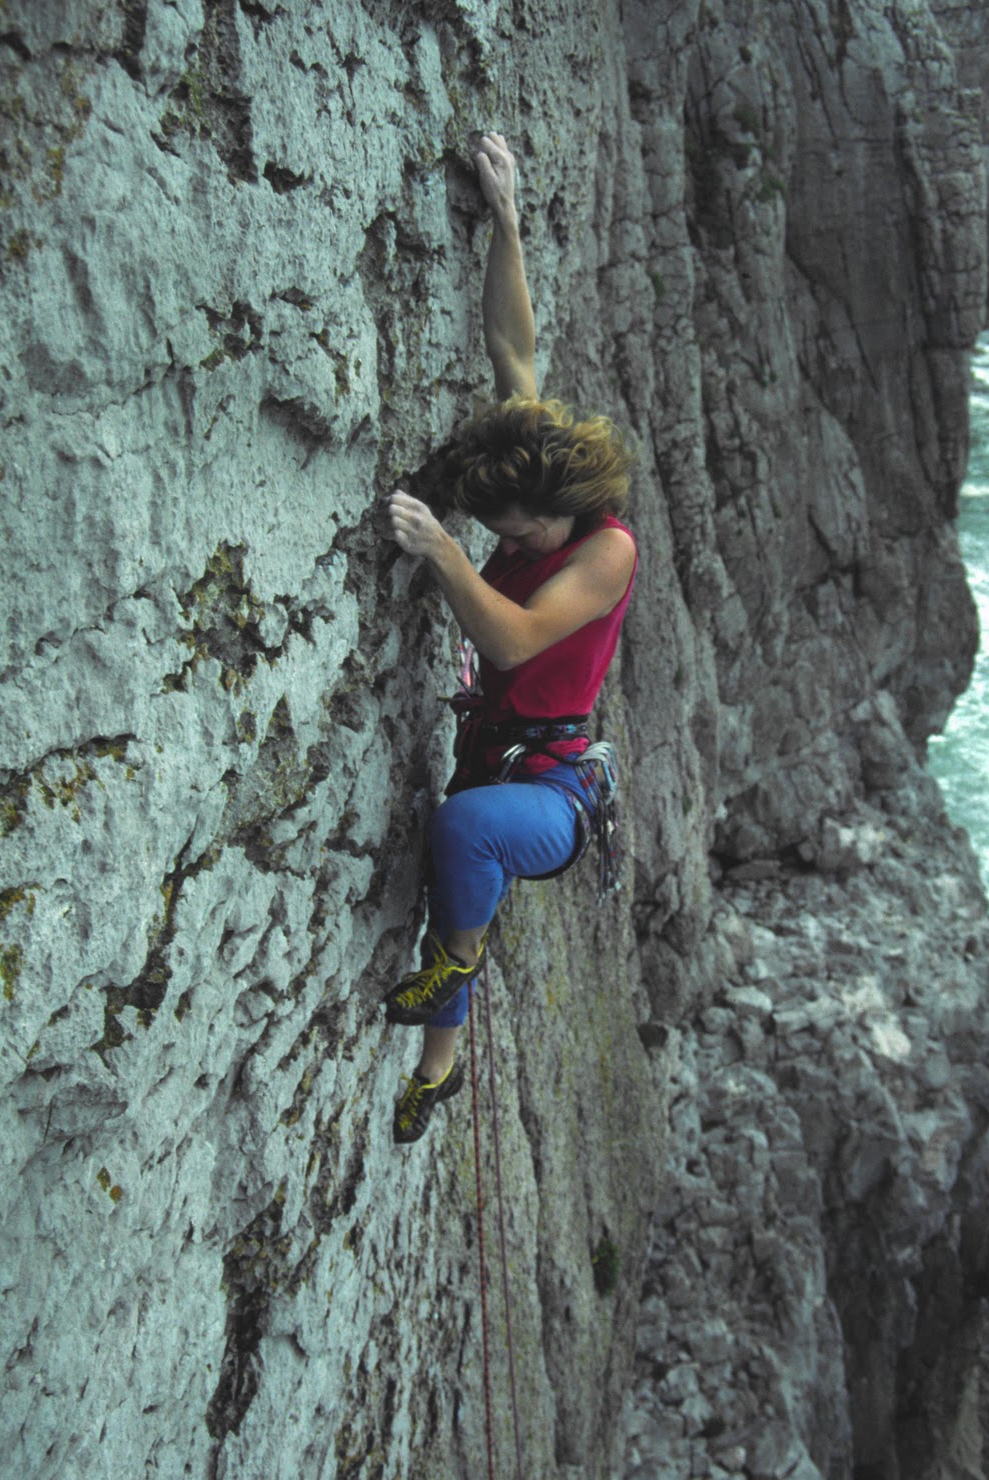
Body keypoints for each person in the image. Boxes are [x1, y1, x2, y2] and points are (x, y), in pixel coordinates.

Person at [383, 133, 638, 1145]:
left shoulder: (607, 551)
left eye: (517, 527)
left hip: (554, 791)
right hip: (500, 753)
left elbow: (520, 639)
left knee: (465, 840)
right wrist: (506, 220)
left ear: (563, 508)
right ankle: (438, 1071)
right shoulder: (537, 470)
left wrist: (444, 551)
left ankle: (457, 963)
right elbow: (514, 349)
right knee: (454, 879)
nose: (505, 539)